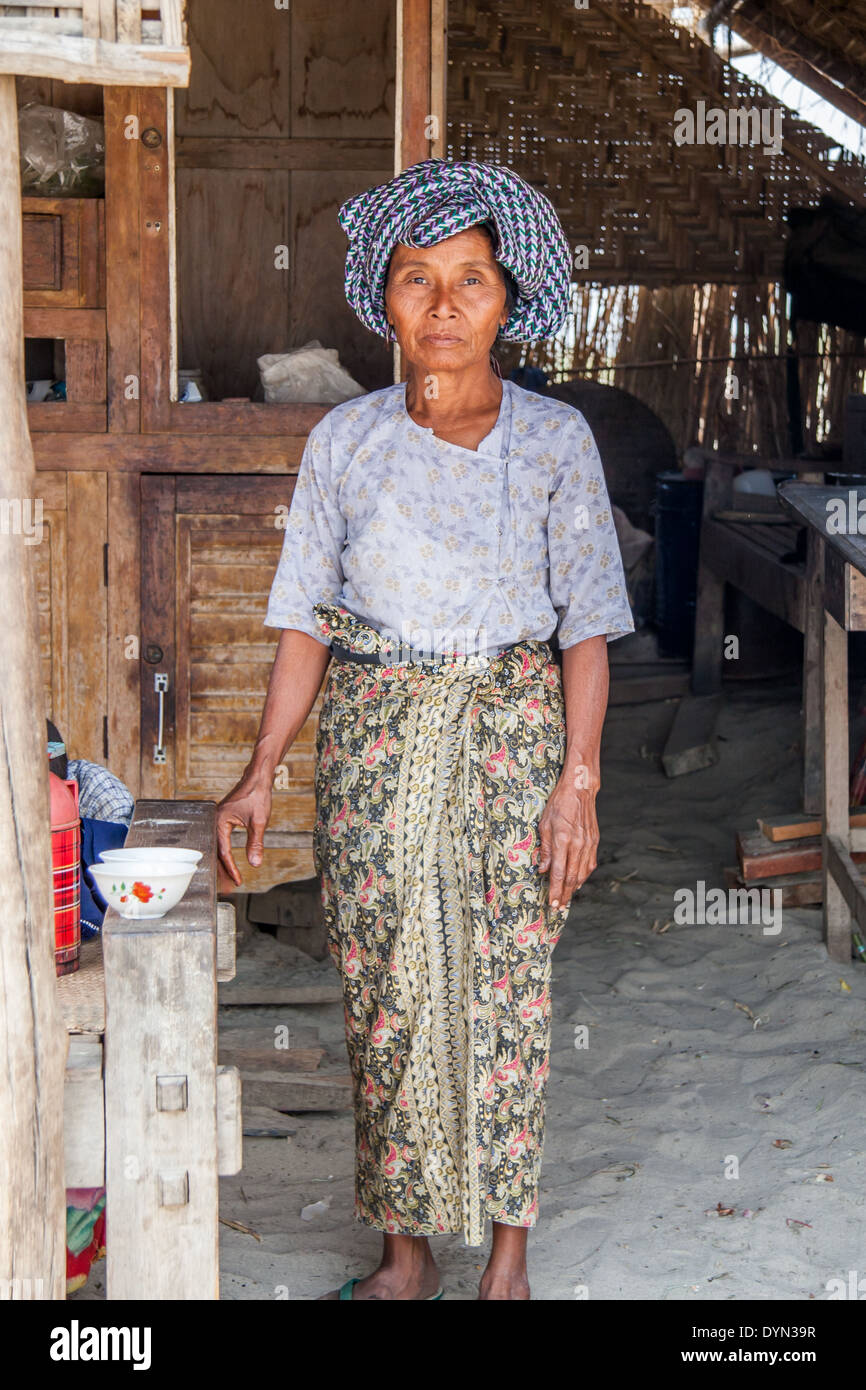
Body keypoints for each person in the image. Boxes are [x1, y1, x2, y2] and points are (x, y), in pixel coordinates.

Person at [216, 158, 634, 1301]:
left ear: (510, 300)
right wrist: (259, 773)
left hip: (510, 746)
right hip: (374, 748)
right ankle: (404, 1255)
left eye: (469, 280)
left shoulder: (554, 443)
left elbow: (585, 633)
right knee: (385, 989)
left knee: (506, 986)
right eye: (416, 280)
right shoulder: (344, 442)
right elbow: (304, 620)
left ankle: (505, 1253)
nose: (442, 306)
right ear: (381, 300)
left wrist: (577, 783)